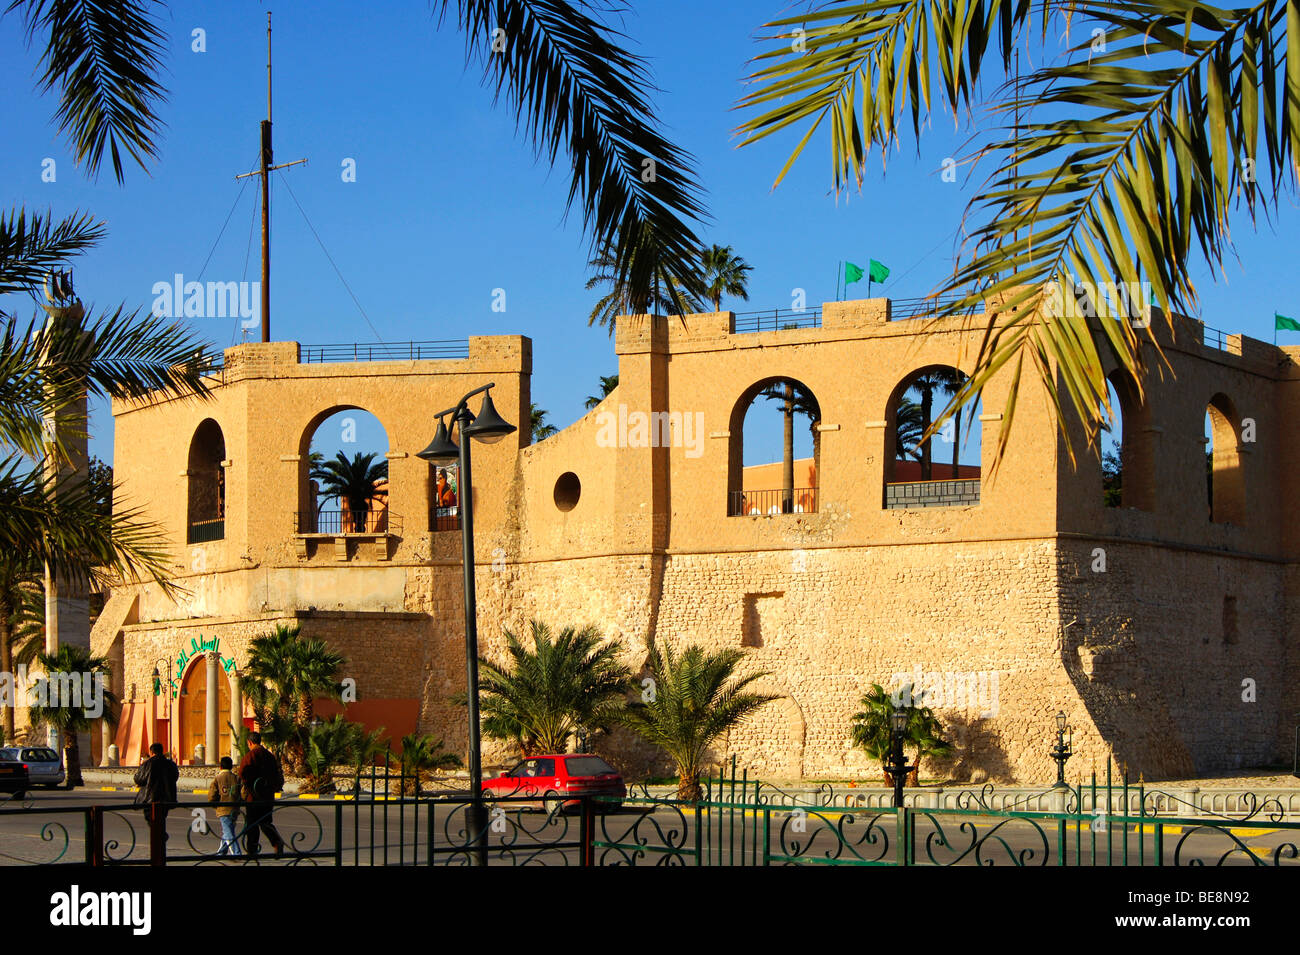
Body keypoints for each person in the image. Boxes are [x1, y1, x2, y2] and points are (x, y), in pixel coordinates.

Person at [237, 732, 285, 857]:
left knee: (252, 824)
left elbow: (243, 773)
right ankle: (276, 842)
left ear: (249, 742)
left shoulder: (250, 756)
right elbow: (276, 773)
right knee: (266, 822)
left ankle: (252, 850)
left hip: (254, 796)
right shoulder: (269, 756)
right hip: (268, 795)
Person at [133, 742, 179, 842]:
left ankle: (160, 839)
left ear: (151, 752)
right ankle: (160, 839)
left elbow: (139, 779)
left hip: (150, 798)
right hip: (166, 798)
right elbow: (175, 777)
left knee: (151, 820)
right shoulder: (170, 764)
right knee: (161, 819)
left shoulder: (147, 764)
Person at [209, 755, 241, 857]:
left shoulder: (217, 778)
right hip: (234, 809)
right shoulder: (236, 778)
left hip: (223, 810)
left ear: (220, 767)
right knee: (228, 830)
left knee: (228, 832)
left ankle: (237, 853)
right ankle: (221, 852)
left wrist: (215, 805)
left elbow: (212, 796)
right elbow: (243, 793)